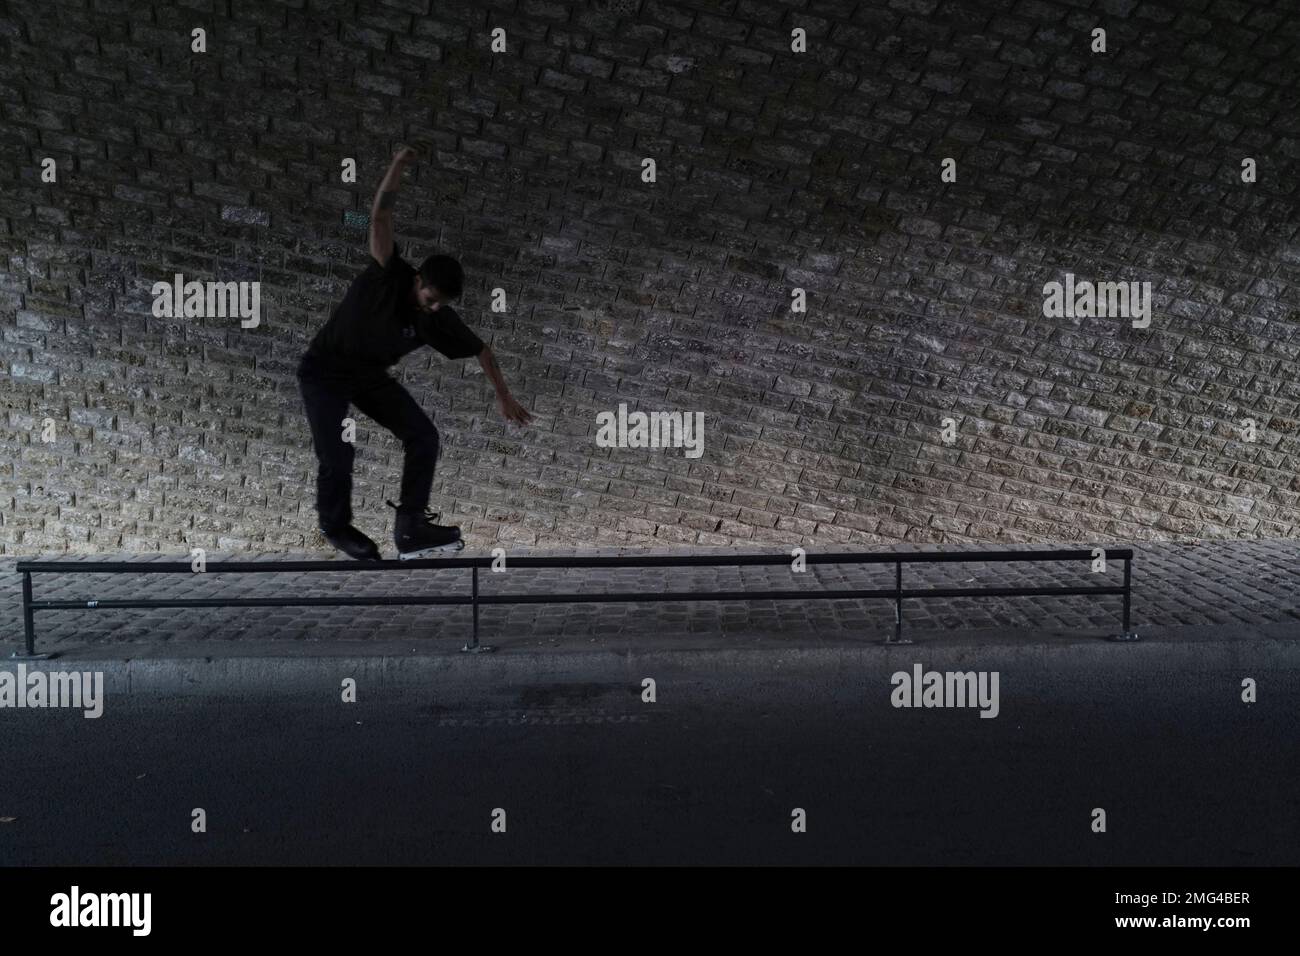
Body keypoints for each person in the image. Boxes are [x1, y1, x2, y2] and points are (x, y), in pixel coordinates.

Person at [296, 146, 533, 560]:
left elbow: (482, 351)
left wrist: (503, 394)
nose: (433, 306)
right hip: (324, 371)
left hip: (369, 377)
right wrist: (397, 166)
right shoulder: (390, 272)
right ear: (418, 279)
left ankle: (411, 527)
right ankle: (335, 526)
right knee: (336, 451)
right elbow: (381, 216)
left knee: (424, 436)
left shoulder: (436, 317)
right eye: (429, 296)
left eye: (441, 302)